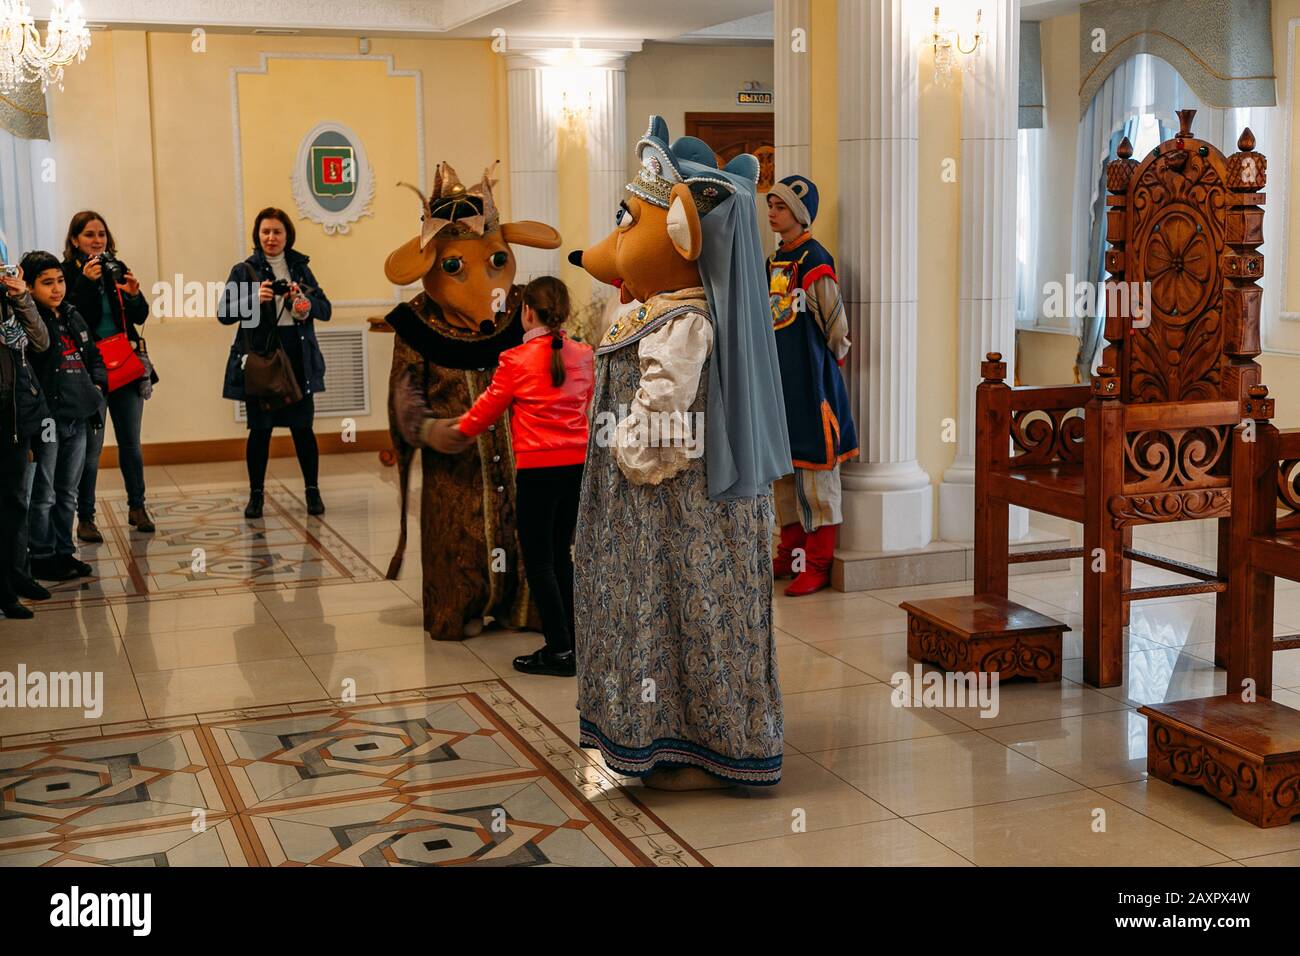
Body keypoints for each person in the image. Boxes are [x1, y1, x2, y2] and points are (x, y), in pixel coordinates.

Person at [570, 116, 792, 789]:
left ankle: (700, 739)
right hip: (656, 514)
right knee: (663, 617)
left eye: (628, 222)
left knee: (689, 611)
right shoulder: (661, 308)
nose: (614, 244)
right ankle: (665, 734)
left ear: (679, 234)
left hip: (673, 507)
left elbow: (660, 420)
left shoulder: (685, 320)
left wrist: (629, 458)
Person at [426, 276, 594, 676]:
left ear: (527, 312)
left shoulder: (516, 360)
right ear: (564, 312)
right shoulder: (584, 354)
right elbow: (585, 402)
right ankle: (573, 642)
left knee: (538, 563)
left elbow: (485, 412)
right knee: (561, 555)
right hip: (576, 466)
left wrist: (451, 433)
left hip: (538, 471)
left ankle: (558, 651)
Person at [766, 175, 859, 597]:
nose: (771, 212)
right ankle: (790, 552)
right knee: (783, 472)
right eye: (770, 204)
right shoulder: (774, 260)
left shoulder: (815, 259)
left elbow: (836, 327)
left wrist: (821, 364)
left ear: (799, 214)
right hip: (780, 382)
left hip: (811, 380)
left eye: (780, 206)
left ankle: (818, 562)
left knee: (817, 477)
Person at [217, 207, 332, 519]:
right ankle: (256, 496)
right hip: (263, 359)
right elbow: (224, 314)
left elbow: (325, 308)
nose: (271, 237)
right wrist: (255, 298)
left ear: (287, 235)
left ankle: (312, 491)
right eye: (265, 232)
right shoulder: (245, 270)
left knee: (303, 429)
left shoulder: (300, 268)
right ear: (257, 235)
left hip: (297, 357)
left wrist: (303, 306)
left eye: (277, 232)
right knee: (260, 430)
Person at [62, 210, 155, 540]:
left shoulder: (117, 266)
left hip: (125, 366)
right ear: (75, 240)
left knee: (131, 442)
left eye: (101, 234)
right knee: (92, 448)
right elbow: (69, 315)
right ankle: (85, 517)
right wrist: (85, 282)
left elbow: (140, 315)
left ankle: (137, 506)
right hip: (89, 372)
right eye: (89, 234)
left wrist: (133, 294)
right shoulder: (65, 274)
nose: (96, 240)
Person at [22, 251, 107, 583]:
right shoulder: (32, 322)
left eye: (59, 281)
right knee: (44, 491)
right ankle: (40, 555)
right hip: (48, 421)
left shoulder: (72, 314)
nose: (56, 289)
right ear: (29, 287)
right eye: (47, 283)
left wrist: (97, 388)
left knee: (68, 490)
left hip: (78, 416)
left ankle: (62, 550)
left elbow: (94, 355)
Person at [0, 266, 52, 618]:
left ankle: (16, 577)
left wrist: (21, 297)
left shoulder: (9, 300)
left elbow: (40, 342)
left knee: (16, 502)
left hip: (15, 416)